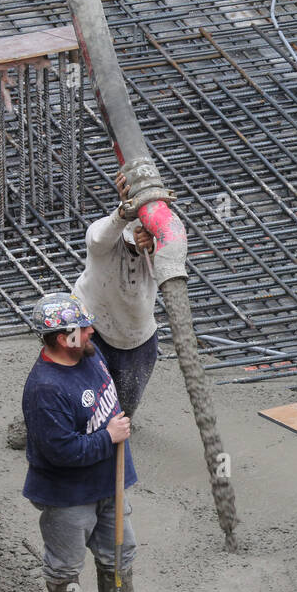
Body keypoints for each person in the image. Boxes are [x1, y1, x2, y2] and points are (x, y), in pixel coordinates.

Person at [21, 292, 143, 592]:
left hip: (110, 482)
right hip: (68, 496)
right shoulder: (45, 389)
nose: (92, 332)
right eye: (84, 328)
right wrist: (109, 437)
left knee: (119, 553)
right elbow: (62, 452)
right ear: (63, 338)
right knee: (66, 566)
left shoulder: (89, 353)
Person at [72, 171, 173, 418]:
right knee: (80, 396)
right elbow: (97, 239)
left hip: (137, 340)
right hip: (89, 328)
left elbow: (170, 265)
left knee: (123, 409)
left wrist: (154, 245)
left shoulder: (162, 243)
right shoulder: (104, 236)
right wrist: (123, 212)